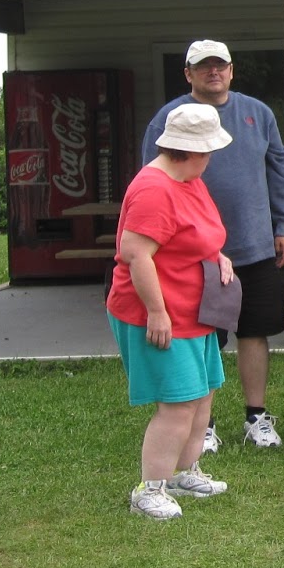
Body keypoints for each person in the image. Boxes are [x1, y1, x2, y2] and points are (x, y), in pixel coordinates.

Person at [142, 39, 284, 453]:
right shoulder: (169, 119)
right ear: (188, 74)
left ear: (231, 70)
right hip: (196, 253)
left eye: (220, 65)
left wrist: (283, 225)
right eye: (203, 66)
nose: (214, 72)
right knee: (203, 338)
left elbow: (279, 171)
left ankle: (256, 417)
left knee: (254, 332)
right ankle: (202, 424)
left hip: (256, 245)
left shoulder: (258, 113)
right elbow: (152, 180)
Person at [106, 104, 235, 519]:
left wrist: (217, 255)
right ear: (191, 150)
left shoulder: (189, 180)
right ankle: (150, 490)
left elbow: (195, 233)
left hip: (196, 309)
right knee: (178, 403)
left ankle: (184, 471)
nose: (211, 157)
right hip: (159, 311)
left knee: (203, 394)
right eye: (208, 150)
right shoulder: (154, 189)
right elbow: (136, 254)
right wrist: (156, 312)